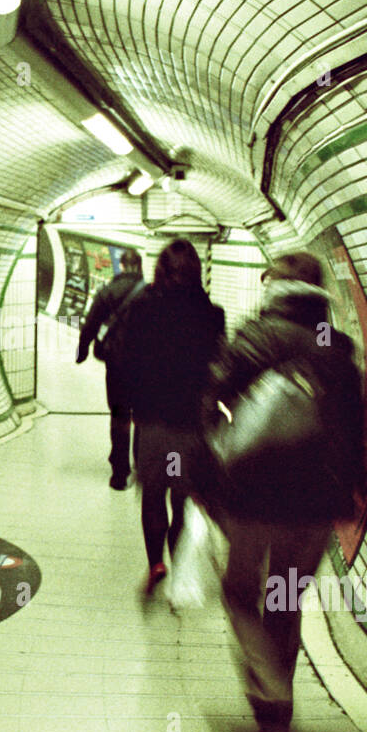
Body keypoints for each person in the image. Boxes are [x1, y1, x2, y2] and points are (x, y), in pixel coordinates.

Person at [198, 252, 364, 732]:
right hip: (314, 505)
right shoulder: (337, 347)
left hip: (254, 496)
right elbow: (353, 429)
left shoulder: (256, 336)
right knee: (285, 599)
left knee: (239, 593)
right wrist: (343, 491)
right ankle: (275, 720)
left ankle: (272, 690)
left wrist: (211, 467)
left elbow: (209, 400)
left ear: (275, 288)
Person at [118, 240, 224, 591]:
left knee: (153, 494)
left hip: (152, 423)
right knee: (180, 497)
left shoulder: (142, 308)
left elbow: (127, 361)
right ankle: (178, 564)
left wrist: (130, 407)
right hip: (189, 427)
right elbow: (218, 368)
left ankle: (156, 564)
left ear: (160, 269)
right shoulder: (212, 315)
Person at [76, 249, 144, 489]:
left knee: (119, 416)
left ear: (122, 266)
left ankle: (119, 473)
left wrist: (82, 350)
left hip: (117, 364)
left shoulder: (107, 292)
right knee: (142, 415)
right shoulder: (151, 292)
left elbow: (91, 323)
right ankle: (141, 466)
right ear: (140, 266)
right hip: (144, 365)